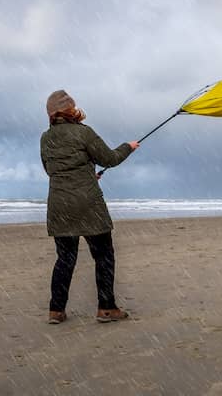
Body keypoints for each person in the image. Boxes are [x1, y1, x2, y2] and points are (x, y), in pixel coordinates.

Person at [40, 90, 139, 324]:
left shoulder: (46, 137)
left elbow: (51, 170)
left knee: (64, 259)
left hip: (60, 204)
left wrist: (86, 174)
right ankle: (106, 308)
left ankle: (56, 310)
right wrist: (128, 146)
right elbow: (110, 159)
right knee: (104, 255)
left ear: (51, 114)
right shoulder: (83, 132)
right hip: (88, 204)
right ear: (72, 109)